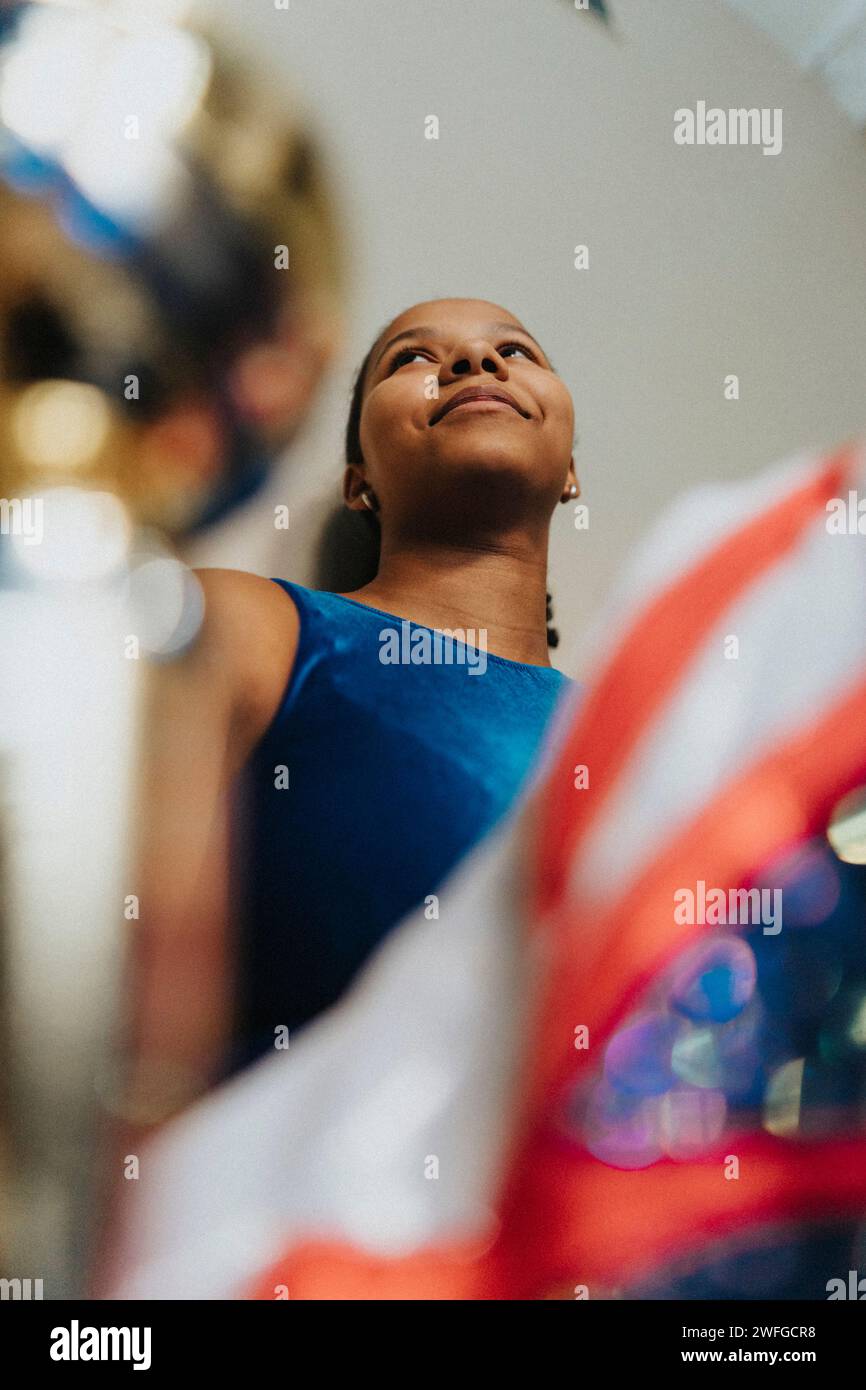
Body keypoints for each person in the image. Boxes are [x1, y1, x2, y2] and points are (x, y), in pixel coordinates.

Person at [130, 297, 581, 1108]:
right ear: (359, 482)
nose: (476, 364)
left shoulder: (630, 726)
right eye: (412, 358)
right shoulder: (255, 625)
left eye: (514, 350)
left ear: (572, 469)